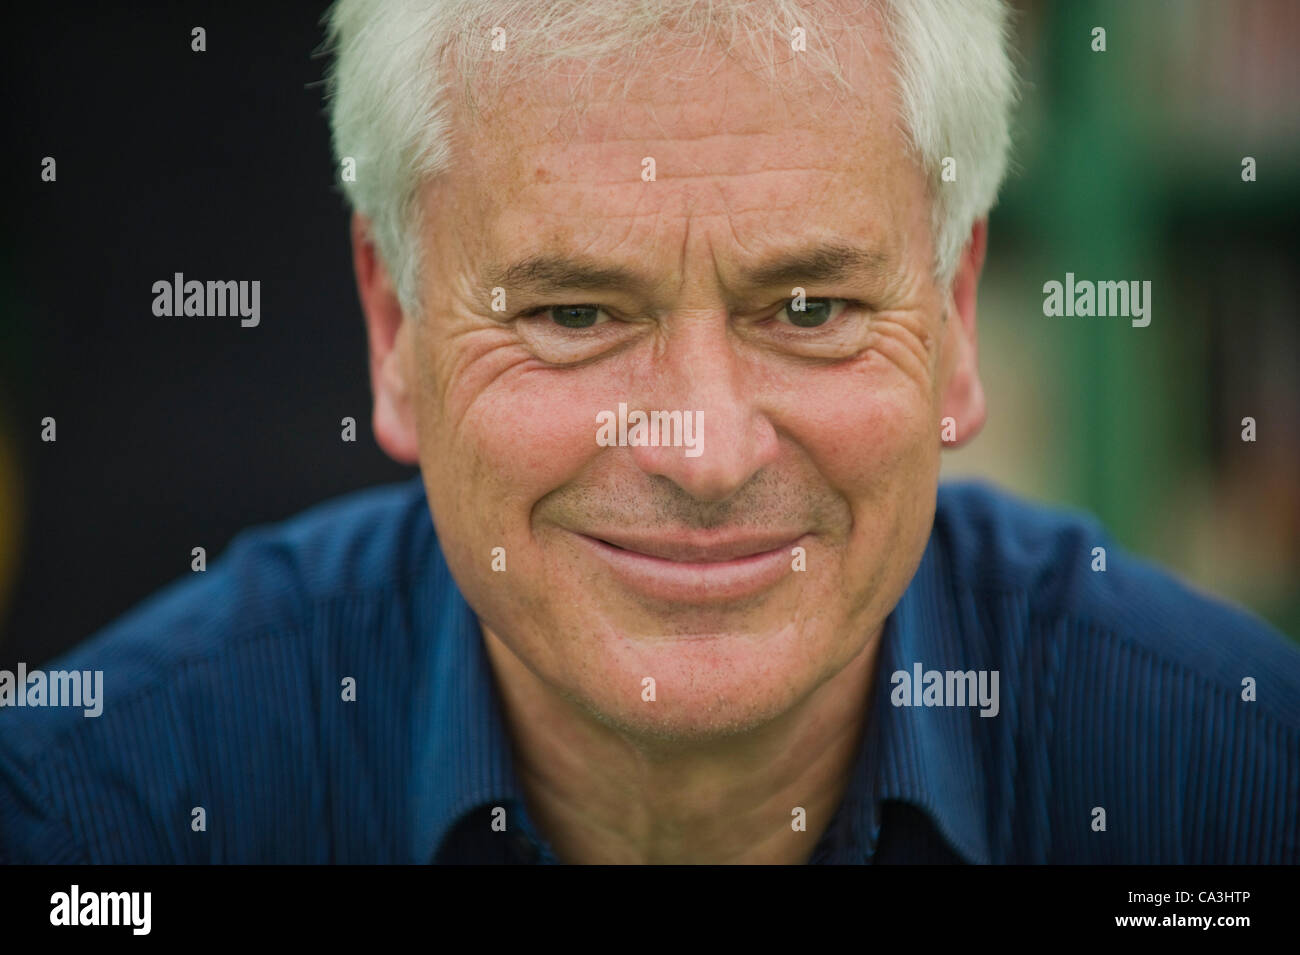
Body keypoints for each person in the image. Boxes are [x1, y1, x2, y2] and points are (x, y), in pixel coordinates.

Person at [2, 0, 1297, 864]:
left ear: (955, 321)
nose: (705, 449)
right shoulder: (95, 812)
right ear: (394, 332)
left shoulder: (1237, 789)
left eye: (807, 307)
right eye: (574, 312)